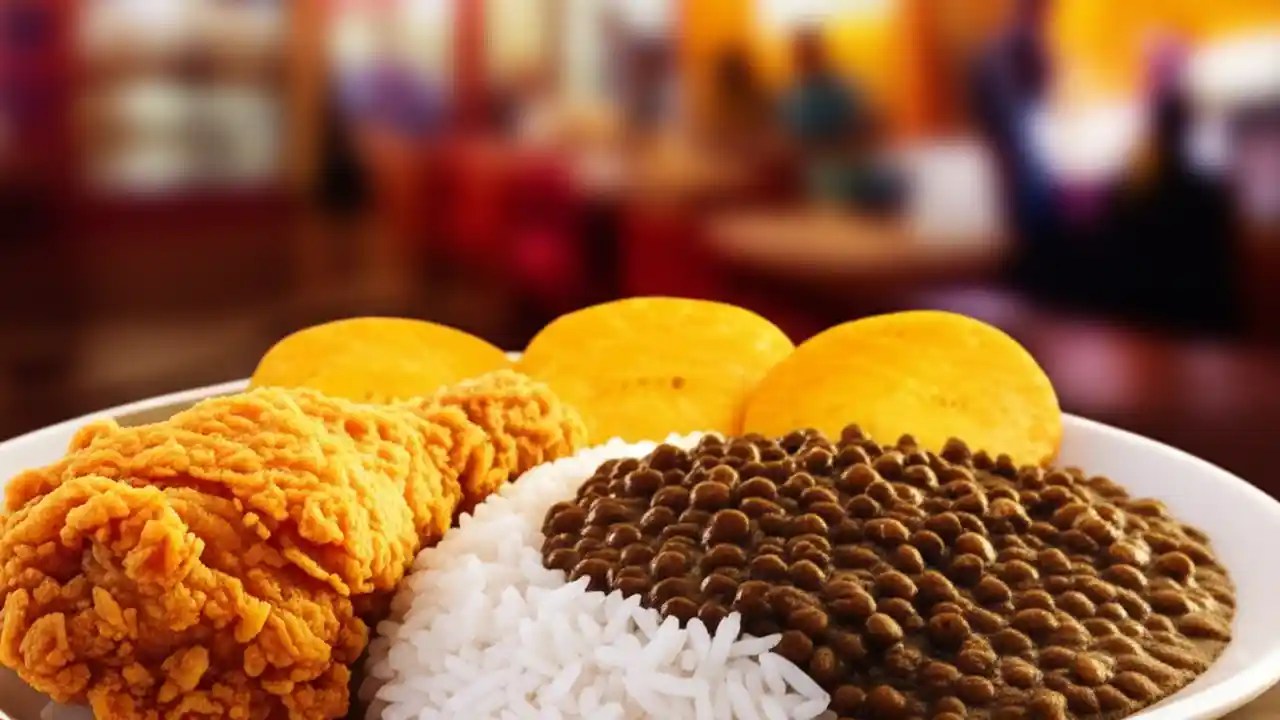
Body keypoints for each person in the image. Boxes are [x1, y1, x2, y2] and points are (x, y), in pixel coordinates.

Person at [970, 0, 1060, 287]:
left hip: (1027, 145)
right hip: (1018, 146)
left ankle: (1038, 277)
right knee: (1030, 216)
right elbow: (1004, 111)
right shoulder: (1005, 49)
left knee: (1034, 218)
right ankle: (1035, 280)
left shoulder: (1031, 43)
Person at [779, 28, 873, 156]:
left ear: (821, 54)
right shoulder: (788, 98)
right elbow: (786, 138)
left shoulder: (843, 89)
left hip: (843, 158)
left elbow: (863, 126)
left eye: (809, 54)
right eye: (800, 55)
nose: (804, 61)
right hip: (806, 163)